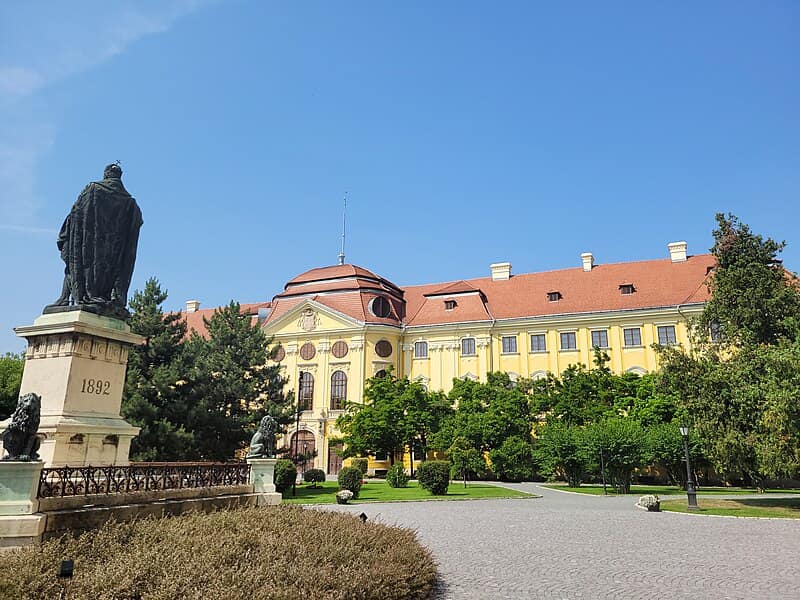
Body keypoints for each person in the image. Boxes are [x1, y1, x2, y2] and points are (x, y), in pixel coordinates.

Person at [46, 163, 143, 320]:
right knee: (102, 274)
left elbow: (76, 210)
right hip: (112, 254)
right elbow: (135, 226)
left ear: (106, 174)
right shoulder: (130, 203)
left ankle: (64, 298)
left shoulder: (93, 189)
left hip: (87, 245)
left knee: (74, 263)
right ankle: (75, 298)